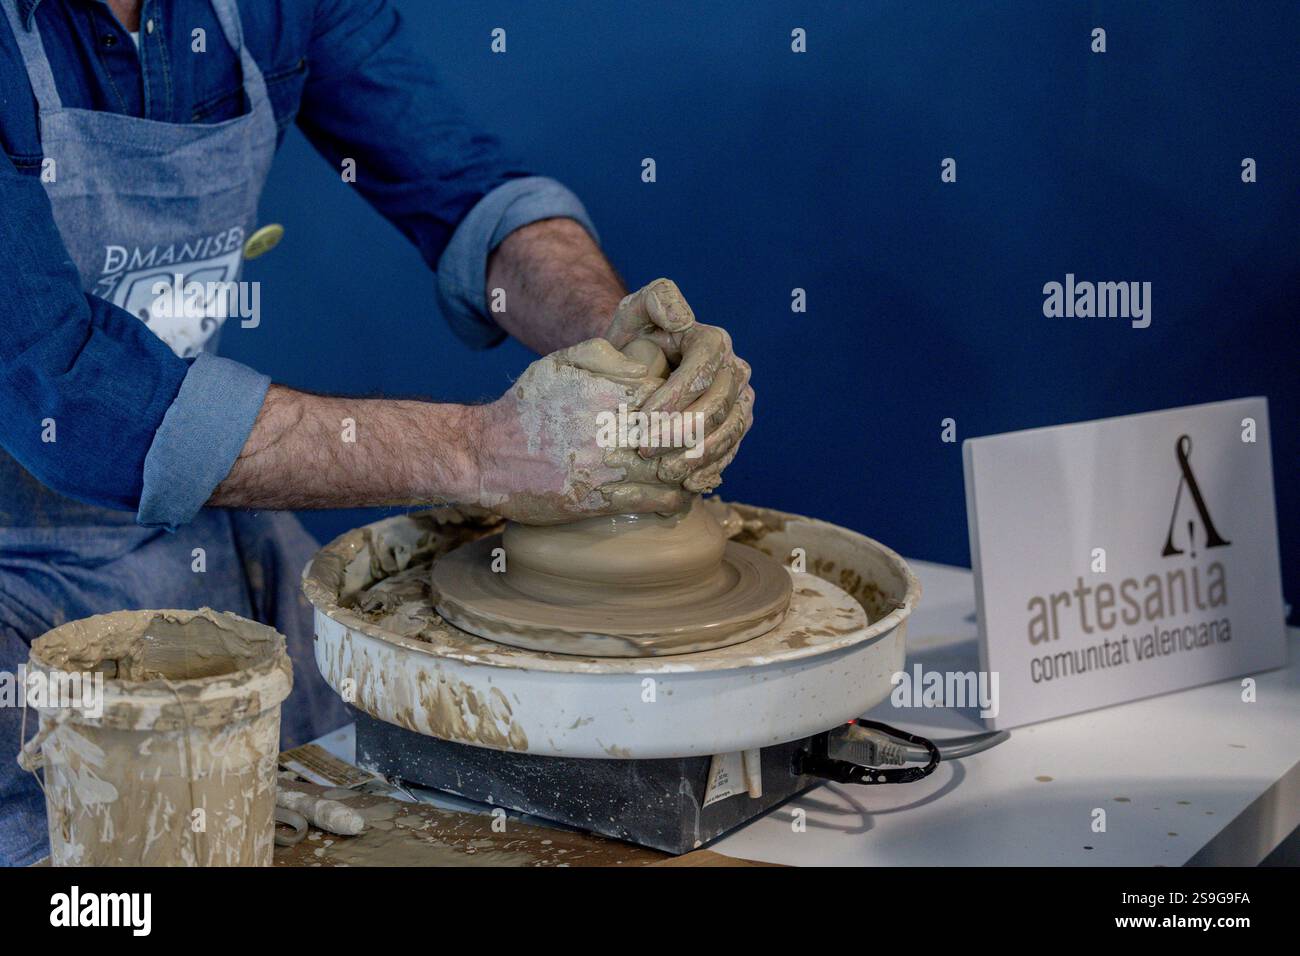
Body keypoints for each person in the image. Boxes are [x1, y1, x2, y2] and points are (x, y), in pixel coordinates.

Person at [0, 0, 752, 866]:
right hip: (18, 559)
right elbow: (64, 387)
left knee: (355, 811)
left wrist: (613, 338)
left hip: (193, 530)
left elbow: (465, 189)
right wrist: (482, 453)